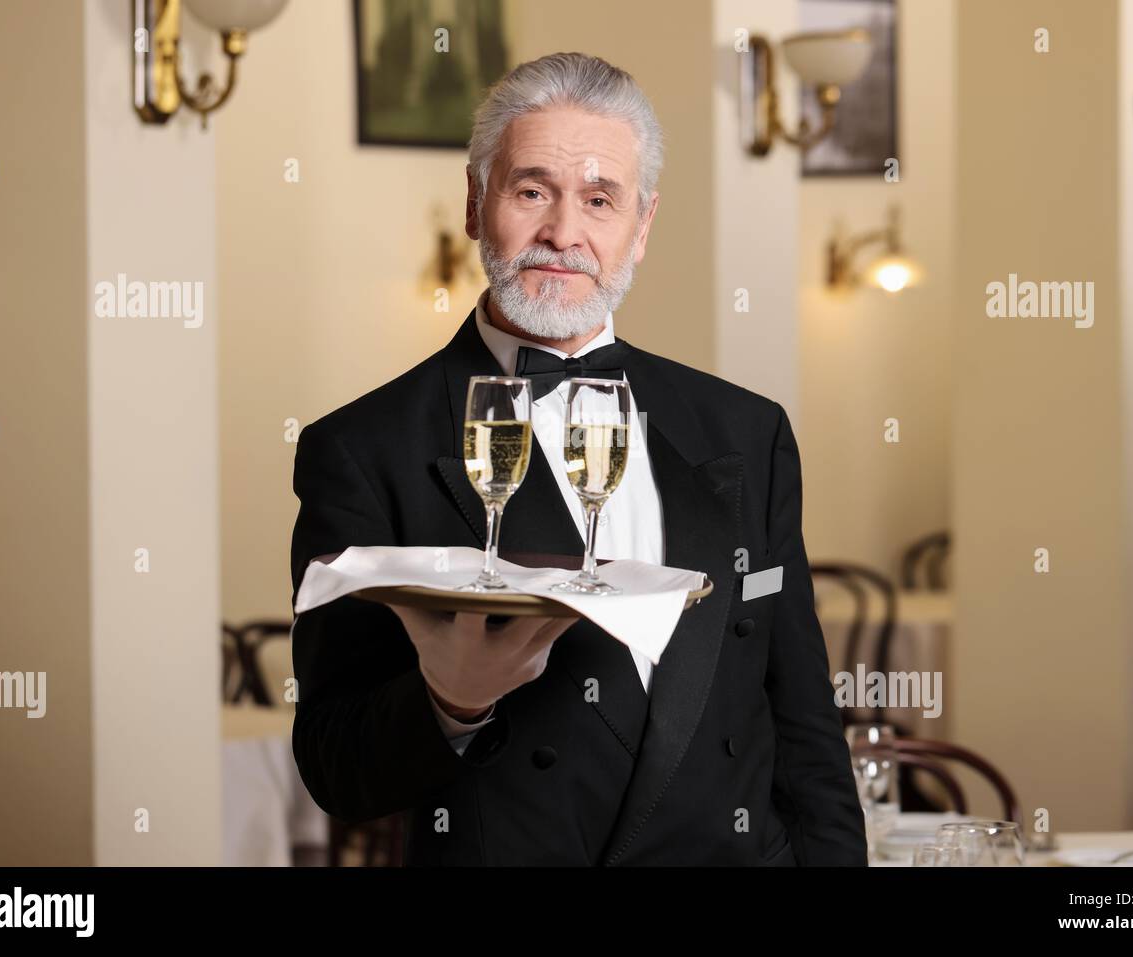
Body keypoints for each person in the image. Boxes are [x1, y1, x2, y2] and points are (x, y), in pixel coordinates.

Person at [289, 51, 865, 866]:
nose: (565, 232)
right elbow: (336, 766)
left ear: (642, 225)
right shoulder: (362, 449)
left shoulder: (746, 430)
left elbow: (806, 729)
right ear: (474, 203)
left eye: (600, 199)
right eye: (532, 192)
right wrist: (450, 702)